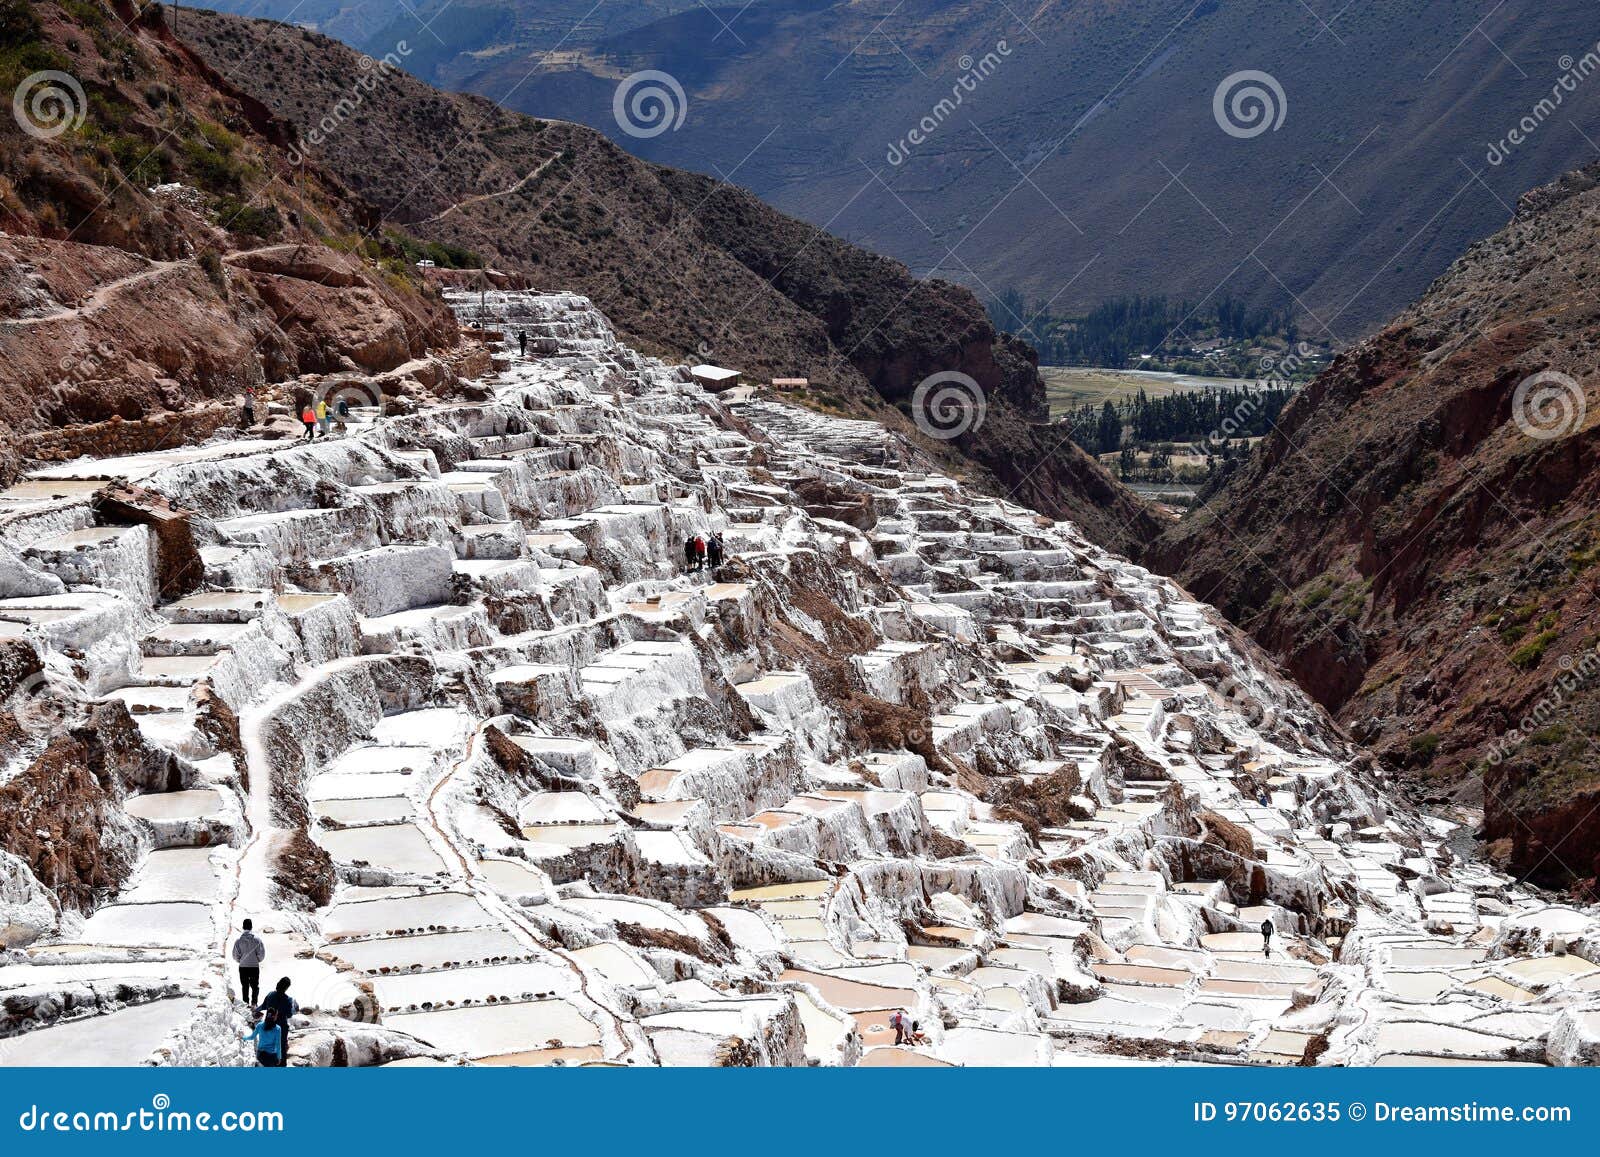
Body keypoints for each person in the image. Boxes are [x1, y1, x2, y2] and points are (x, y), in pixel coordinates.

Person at [257, 977, 299, 1066]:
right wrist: (295, 1008)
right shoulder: (288, 1000)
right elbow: (289, 1015)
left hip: (268, 1025)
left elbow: (263, 1006)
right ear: (286, 988)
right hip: (281, 1028)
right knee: (281, 1049)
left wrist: (255, 1010)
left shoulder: (270, 995)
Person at [232, 919, 265, 1008]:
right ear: (251, 927)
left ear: (243, 927)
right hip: (254, 966)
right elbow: (261, 955)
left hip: (243, 967)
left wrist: (241, 960)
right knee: (255, 986)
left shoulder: (238, 940)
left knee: (245, 986)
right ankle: (254, 1004)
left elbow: (235, 955)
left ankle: (245, 1004)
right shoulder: (257, 940)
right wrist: (256, 960)